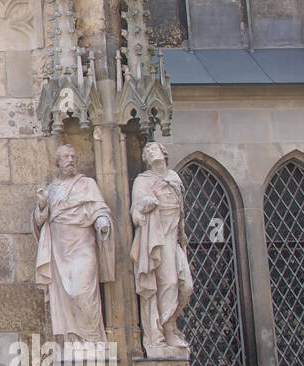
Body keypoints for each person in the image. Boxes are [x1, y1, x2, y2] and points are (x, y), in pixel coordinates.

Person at [34, 144, 115, 345]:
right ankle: (75, 339)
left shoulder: (87, 184)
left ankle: (93, 338)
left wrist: (102, 221)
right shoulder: (51, 190)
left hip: (83, 245)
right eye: (66, 157)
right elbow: (40, 221)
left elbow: (98, 208)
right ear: (57, 162)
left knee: (82, 290)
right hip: (60, 251)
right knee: (66, 296)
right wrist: (42, 204)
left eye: (73, 156)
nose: (70, 160)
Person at [131, 142, 193, 355]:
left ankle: (170, 325)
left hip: (174, 237)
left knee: (186, 285)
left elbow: (181, 212)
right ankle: (162, 331)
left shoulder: (174, 178)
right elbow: (136, 211)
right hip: (157, 238)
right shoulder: (143, 180)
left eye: (154, 149)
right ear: (145, 160)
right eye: (147, 152)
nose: (151, 152)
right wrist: (146, 204)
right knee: (170, 281)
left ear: (164, 153)